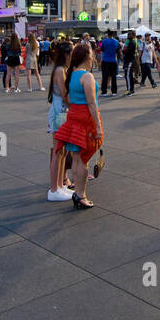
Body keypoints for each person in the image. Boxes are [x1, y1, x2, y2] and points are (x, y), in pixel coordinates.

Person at [53, 41, 103, 210]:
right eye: (92, 53)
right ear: (87, 56)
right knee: (83, 159)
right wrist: (97, 126)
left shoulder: (72, 73)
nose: (94, 56)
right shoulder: (86, 76)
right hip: (85, 119)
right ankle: (81, 194)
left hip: (74, 117)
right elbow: (91, 104)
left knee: (76, 157)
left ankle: (78, 193)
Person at [46, 40, 74, 201]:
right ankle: (54, 188)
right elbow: (65, 94)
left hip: (61, 112)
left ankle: (60, 186)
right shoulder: (60, 71)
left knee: (62, 151)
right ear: (66, 54)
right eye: (72, 53)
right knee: (58, 151)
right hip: (59, 113)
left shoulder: (62, 69)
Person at [99, 30, 121, 96]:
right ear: (113, 35)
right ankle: (114, 92)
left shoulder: (104, 41)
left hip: (105, 60)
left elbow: (102, 49)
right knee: (113, 77)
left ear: (107, 35)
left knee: (105, 76)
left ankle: (104, 92)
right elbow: (118, 50)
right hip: (113, 61)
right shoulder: (116, 42)